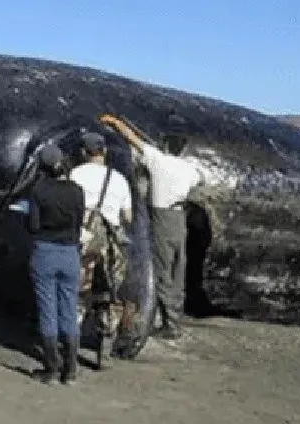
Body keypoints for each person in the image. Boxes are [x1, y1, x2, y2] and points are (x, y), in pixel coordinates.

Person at [99, 113, 204, 340]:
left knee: (163, 268)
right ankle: (175, 316)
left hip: (163, 218)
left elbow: (133, 139)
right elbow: (199, 179)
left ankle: (169, 325)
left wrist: (115, 123)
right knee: (178, 268)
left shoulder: (158, 160)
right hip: (180, 220)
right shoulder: (189, 169)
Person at [24, 144, 86, 385]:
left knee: (47, 311)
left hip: (45, 252)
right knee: (69, 309)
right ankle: (71, 369)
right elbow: (79, 222)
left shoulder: (39, 190)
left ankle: (51, 368)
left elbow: (33, 226)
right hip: (70, 252)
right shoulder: (77, 191)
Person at [68, 131, 134, 359]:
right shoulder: (119, 179)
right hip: (111, 245)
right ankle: (104, 347)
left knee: (78, 293)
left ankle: (71, 344)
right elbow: (128, 216)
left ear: (84, 153)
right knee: (109, 294)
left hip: (84, 242)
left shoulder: (76, 174)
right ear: (104, 151)